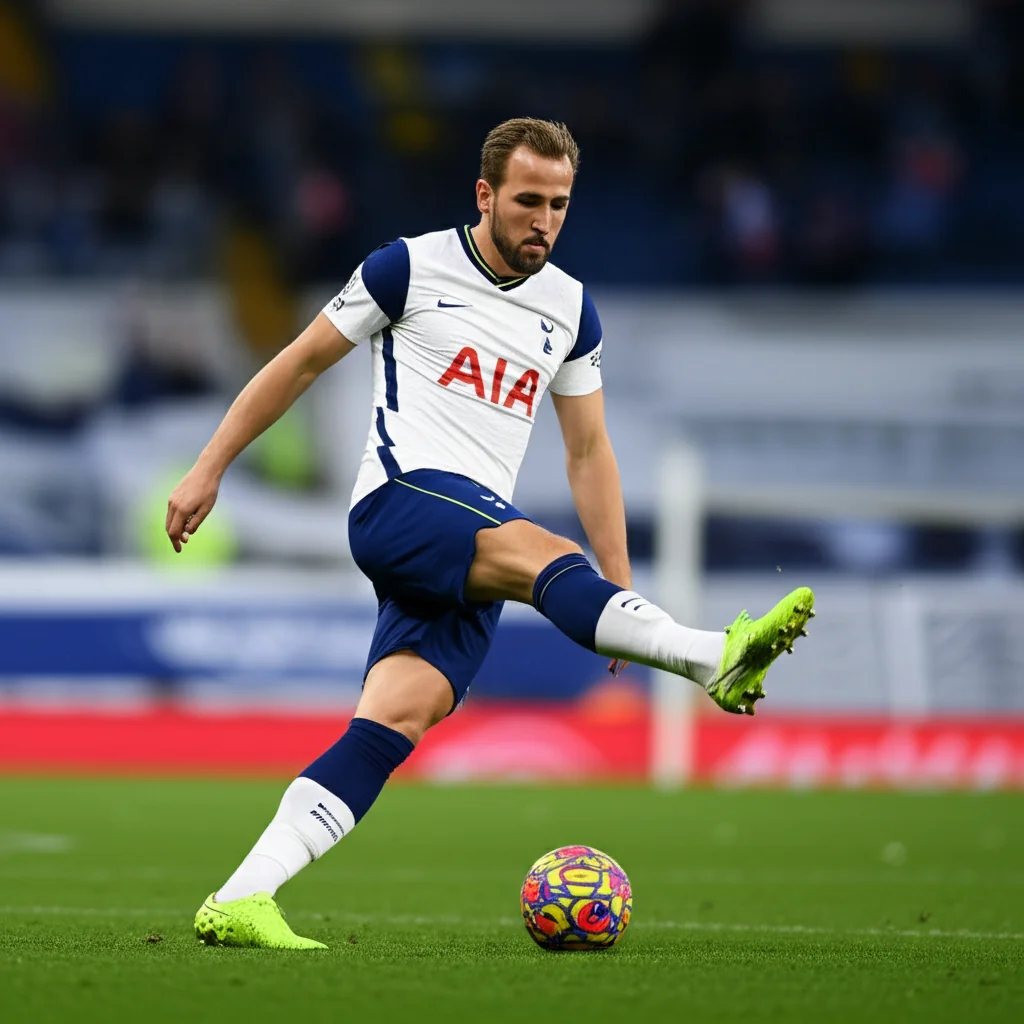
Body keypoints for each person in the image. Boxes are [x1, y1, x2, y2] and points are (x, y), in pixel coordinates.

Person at [167, 118, 814, 950]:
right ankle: (710, 656)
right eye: (527, 201)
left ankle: (241, 897)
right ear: (485, 194)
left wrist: (620, 591)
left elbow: (589, 451)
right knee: (550, 555)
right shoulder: (407, 267)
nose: (544, 221)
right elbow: (299, 362)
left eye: (559, 205)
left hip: (470, 537)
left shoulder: (570, 309)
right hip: (400, 503)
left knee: (395, 720)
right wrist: (209, 468)